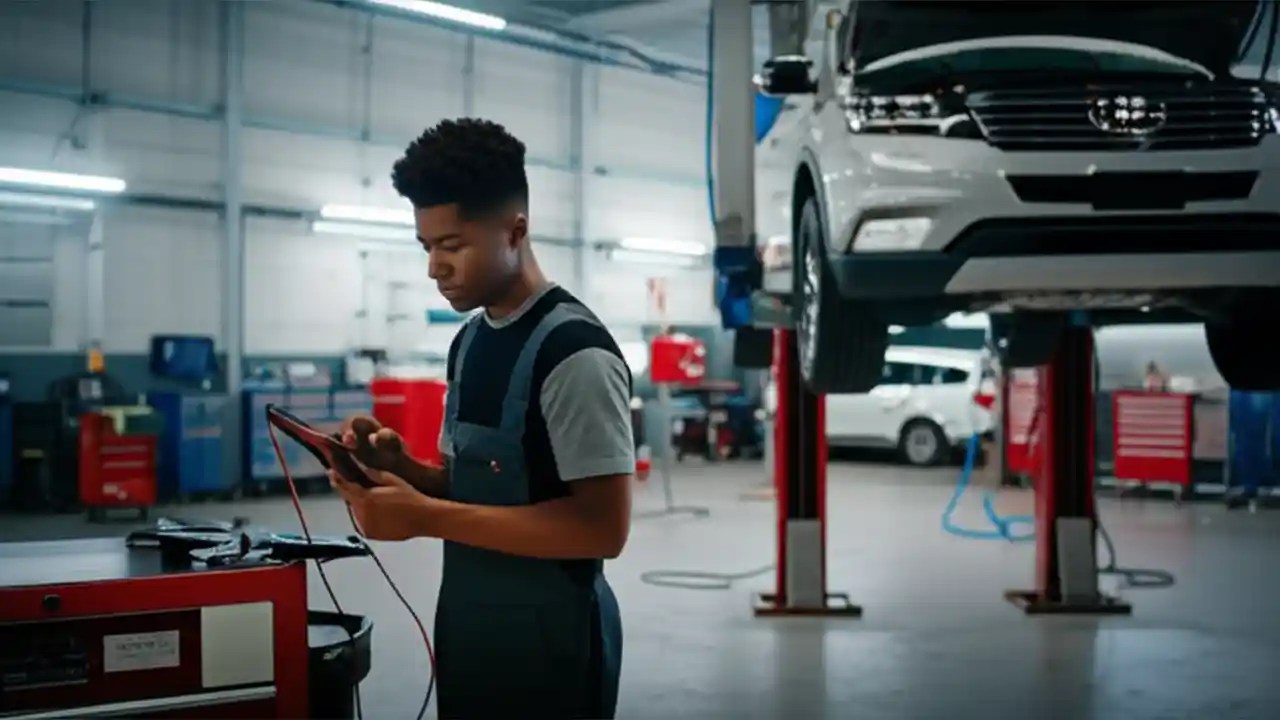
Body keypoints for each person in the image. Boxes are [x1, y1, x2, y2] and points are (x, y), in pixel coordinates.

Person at [329, 118, 633, 719]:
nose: (434, 268)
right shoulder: (469, 343)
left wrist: (425, 517)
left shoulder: (575, 356)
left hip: (553, 648)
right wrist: (401, 471)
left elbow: (603, 529)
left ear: (514, 231)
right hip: (471, 631)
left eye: (453, 246)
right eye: (426, 248)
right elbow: (476, 489)